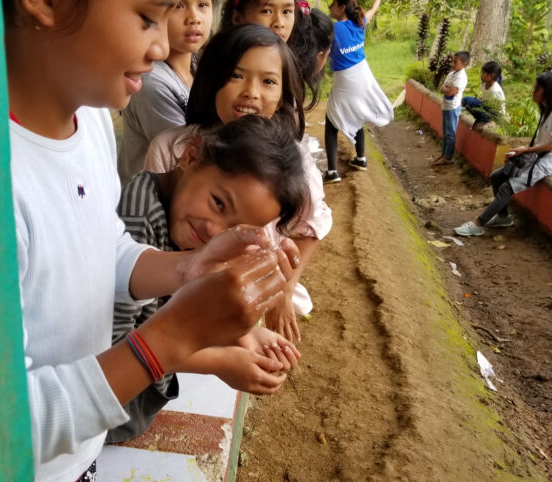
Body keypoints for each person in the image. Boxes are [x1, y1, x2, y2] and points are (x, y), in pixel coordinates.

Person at [2, 1, 299, 480]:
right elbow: (3, 428)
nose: (163, 45)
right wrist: (174, 338)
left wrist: (188, 267)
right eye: (146, 17)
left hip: (76, 454)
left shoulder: (91, 120)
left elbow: (108, 246)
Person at [109, 115, 307, 442]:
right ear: (191, 155)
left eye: (236, 229)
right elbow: (115, 349)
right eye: (218, 202)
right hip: (113, 407)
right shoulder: (139, 212)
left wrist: (242, 337)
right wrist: (222, 362)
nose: (215, 231)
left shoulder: (182, 219)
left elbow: (183, 303)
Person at [144, 24, 333, 343]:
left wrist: (284, 290)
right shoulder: (171, 148)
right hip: (168, 293)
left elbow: (312, 226)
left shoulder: (294, 165)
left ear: (283, 93)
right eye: (236, 75)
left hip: (245, 300)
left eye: (268, 81)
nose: (251, 92)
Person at [454, 72, 552, 237]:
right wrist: (523, 150)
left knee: (506, 187)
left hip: (548, 163)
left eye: (537, 88)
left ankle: (477, 223)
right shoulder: (548, 111)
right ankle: (503, 217)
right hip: (538, 157)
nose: (534, 91)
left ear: (548, 91)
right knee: (497, 176)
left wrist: (526, 150)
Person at [118, 0, 217, 184]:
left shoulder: (199, 63)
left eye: (202, 4)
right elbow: (185, 155)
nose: (194, 18)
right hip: (151, 203)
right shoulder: (150, 81)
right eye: (179, 5)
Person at [322, 0, 392, 183]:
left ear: (341, 7)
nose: (329, 7)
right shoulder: (359, 22)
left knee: (331, 123)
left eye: (332, 4)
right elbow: (373, 10)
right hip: (363, 75)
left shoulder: (333, 29)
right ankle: (360, 158)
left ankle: (332, 172)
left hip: (346, 79)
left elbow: (322, 51)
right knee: (357, 111)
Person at [431, 51, 470, 167]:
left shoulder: (461, 77)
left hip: (453, 107)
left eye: (455, 62)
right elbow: (442, 88)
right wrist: (446, 89)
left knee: (450, 133)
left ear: (464, 63)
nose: (452, 64)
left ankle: (448, 157)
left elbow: (451, 92)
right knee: (446, 132)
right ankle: (443, 154)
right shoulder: (452, 74)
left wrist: (447, 89)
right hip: (446, 105)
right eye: (452, 61)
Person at [462, 60, 505, 127]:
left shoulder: (495, 90)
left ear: (491, 76)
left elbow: (497, 108)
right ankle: (481, 119)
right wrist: (480, 99)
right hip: (485, 106)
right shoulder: (484, 84)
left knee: (472, 102)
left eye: (483, 73)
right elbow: (484, 97)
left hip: (495, 113)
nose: (481, 75)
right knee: (465, 100)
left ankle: (491, 122)